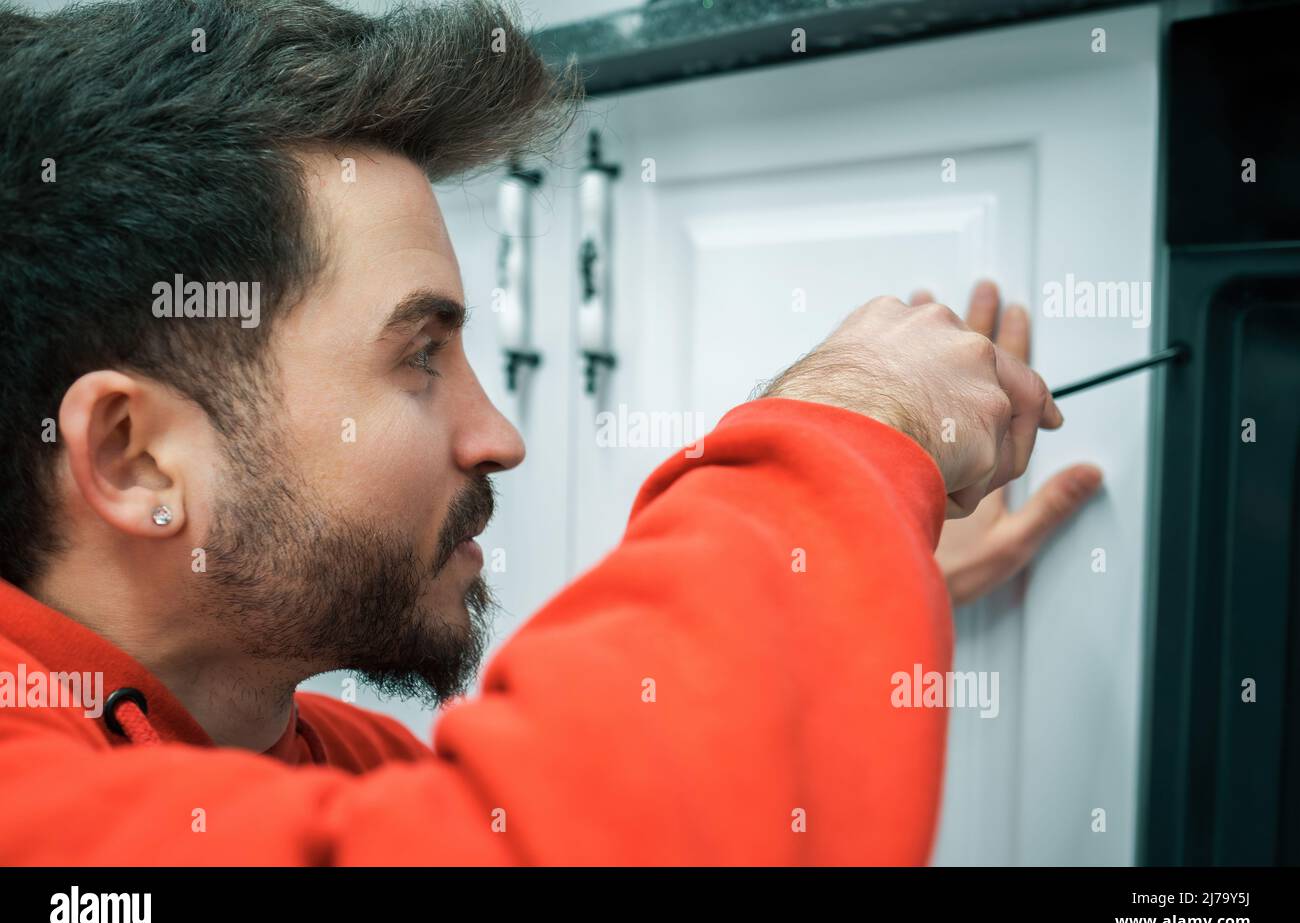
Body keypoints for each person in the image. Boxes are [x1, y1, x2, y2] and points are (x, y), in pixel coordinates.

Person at [0, 0, 1100, 864]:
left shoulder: (353, 767)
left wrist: (857, 574)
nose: (498, 434)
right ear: (133, 457)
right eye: (420, 356)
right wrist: (850, 433)